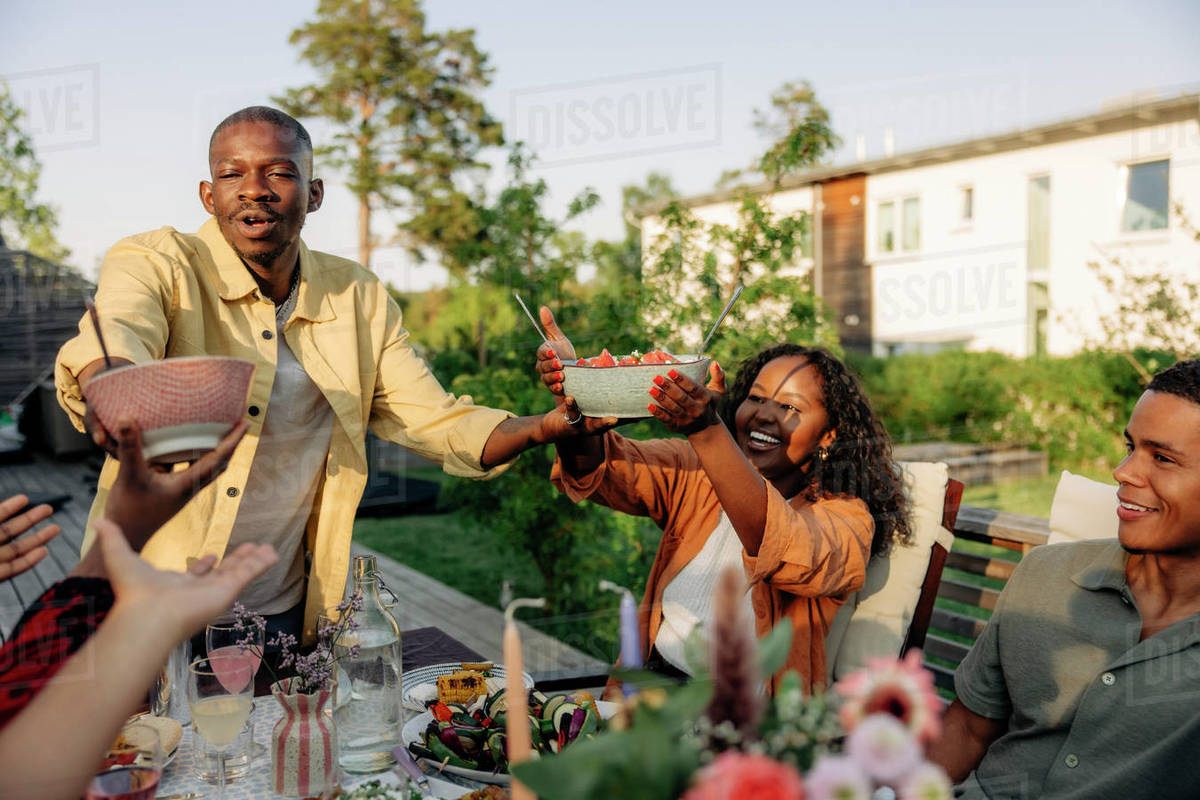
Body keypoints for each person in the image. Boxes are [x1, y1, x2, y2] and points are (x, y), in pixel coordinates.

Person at [55, 106, 589, 644]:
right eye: (231, 174)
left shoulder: (356, 294)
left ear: (313, 194)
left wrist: (545, 427)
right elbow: (120, 330)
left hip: (281, 611)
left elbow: (432, 418)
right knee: (141, 734)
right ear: (208, 195)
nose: (254, 190)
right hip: (145, 605)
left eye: (279, 173)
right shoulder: (156, 262)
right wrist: (114, 387)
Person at [536, 310, 911, 693]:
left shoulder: (846, 517)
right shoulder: (698, 469)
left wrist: (707, 430)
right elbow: (602, 470)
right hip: (650, 696)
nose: (764, 415)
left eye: (790, 408)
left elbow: (785, 548)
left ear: (828, 436)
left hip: (747, 724)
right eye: (755, 398)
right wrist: (581, 394)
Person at [929, 358, 1200, 800]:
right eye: (1130, 447)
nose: (1123, 472)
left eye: (1163, 458)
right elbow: (967, 727)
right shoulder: (1045, 574)